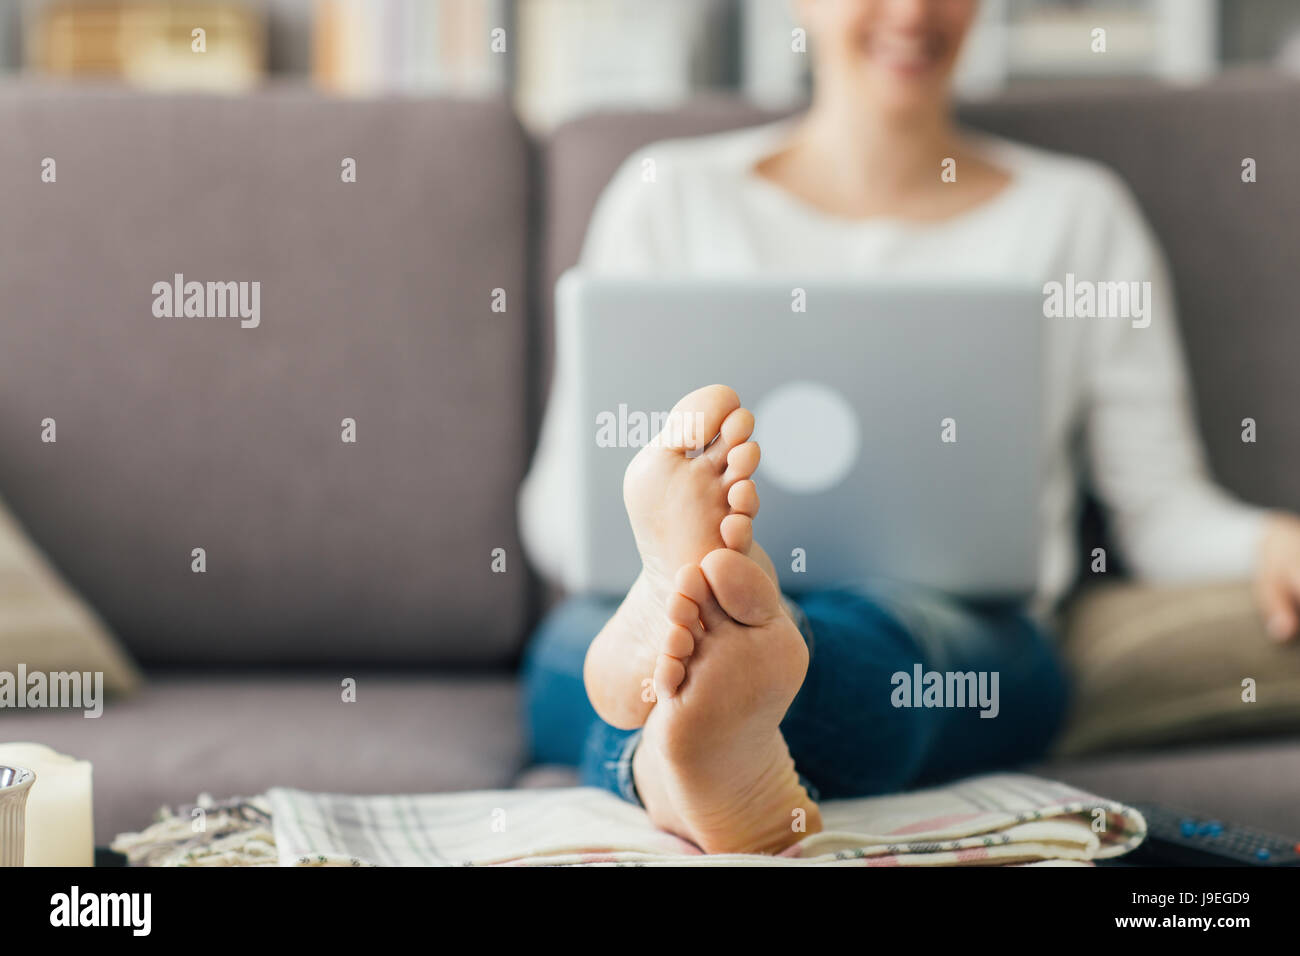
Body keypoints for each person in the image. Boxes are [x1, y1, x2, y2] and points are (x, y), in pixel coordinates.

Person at [517, 0, 1300, 854]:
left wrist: (1270, 544)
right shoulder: (669, 197)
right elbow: (563, 514)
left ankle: (684, 731)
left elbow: (1160, 510)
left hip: (954, 615)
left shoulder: (1077, 216)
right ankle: (705, 703)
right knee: (576, 644)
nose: (914, 12)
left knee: (914, 668)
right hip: (662, 600)